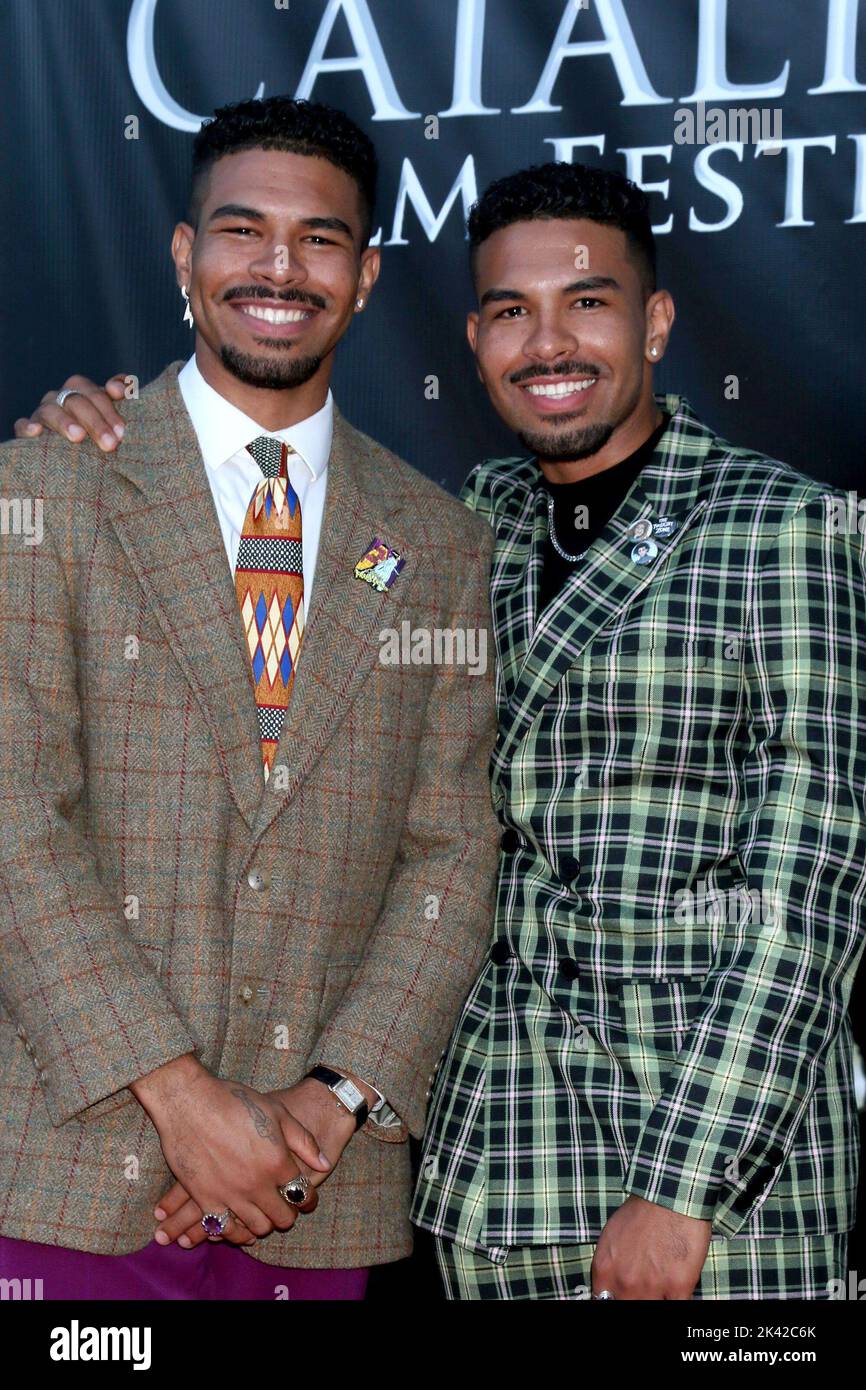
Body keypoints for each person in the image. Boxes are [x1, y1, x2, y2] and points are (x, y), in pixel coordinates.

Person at [20, 160, 866, 1304]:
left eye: (588, 303)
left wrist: (683, 1186)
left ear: (658, 321)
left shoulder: (785, 527)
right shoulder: (468, 524)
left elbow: (806, 887)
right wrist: (101, 416)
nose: (548, 343)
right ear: (471, 341)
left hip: (716, 1206)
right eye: (512, 311)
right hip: (493, 1189)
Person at [0, 96, 500, 1301]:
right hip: (68, 1173)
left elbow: (452, 848)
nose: (279, 267)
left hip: (311, 1194)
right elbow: (13, 811)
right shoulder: (45, 490)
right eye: (242, 230)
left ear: (367, 274)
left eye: (319, 239)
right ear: (185, 254)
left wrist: (329, 1102)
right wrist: (178, 1095)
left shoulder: (436, 542)